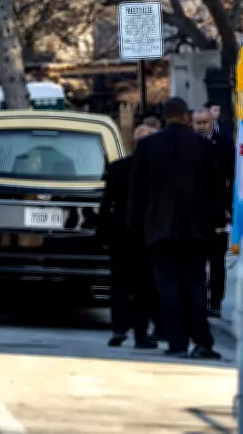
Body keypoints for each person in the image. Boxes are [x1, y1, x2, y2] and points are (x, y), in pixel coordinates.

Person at [129, 96, 224, 359]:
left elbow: (136, 192)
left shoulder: (147, 148)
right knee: (195, 283)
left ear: (165, 116)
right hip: (196, 227)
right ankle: (202, 340)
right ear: (184, 116)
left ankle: (176, 341)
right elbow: (216, 189)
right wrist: (217, 223)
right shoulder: (202, 146)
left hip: (158, 227)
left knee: (167, 286)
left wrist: (136, 227)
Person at [98, 124, 158, 349]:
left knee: (120, 285)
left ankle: (119, 328)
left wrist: (103, 235)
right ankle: (141, 334)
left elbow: (107, 205)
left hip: (121, 234)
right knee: (143, 286)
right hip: (146, 234)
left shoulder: (118, 167)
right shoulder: (156, 170)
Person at [193, 107, 235, 317]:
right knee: (196, 260)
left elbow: (232, 179)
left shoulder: (224, 145)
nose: (201, 126)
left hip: (217, 212)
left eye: (205, 122)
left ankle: (215, 301)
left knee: (217, 260)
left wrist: (228, 208)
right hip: (193, 211)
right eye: (198, 123)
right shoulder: (188, 145)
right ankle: (198, 299)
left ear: (212, 123)